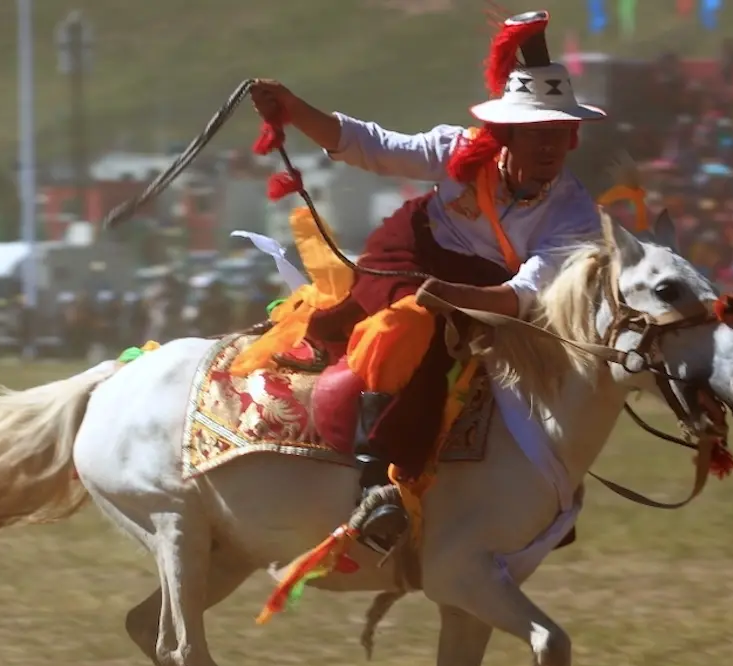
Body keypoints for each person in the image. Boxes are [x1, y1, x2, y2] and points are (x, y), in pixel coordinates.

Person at [248, 10, 607, 552]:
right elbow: (373, 146)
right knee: (412, 329)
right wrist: (295, 110)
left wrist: (457, 298)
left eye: (559, 133)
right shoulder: (460, 152)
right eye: (537, 132)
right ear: (508, 133)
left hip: (491, 293)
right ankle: (375, 481)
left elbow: (530, 289)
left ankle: (538, 493)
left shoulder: (575, 212)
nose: (549, 147)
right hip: (409, 256)